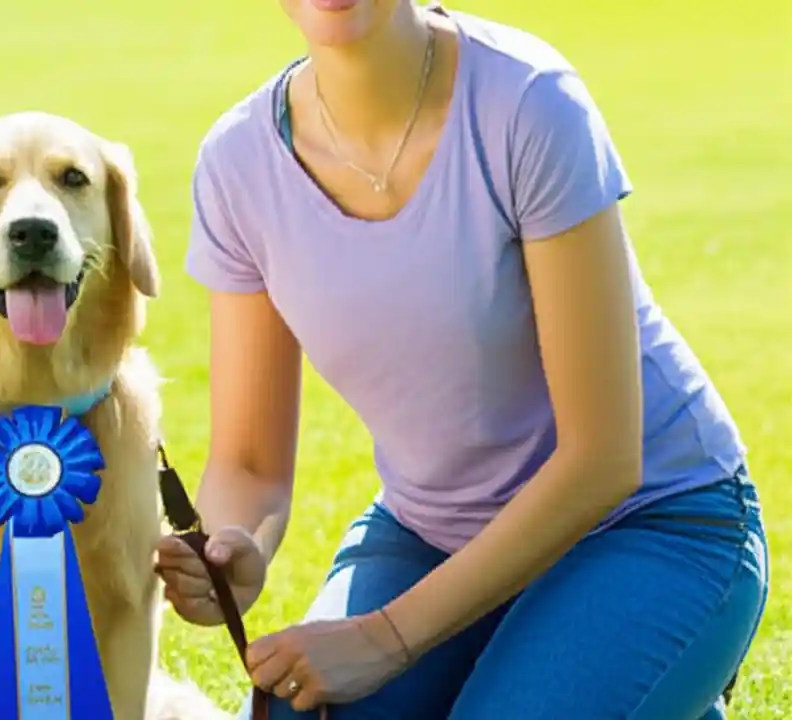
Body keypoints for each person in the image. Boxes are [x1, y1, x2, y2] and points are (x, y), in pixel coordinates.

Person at [152, 1, 769, 718]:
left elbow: (602, 461)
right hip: (433, 534)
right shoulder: (238, 166)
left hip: (652, 519)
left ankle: (652, 653)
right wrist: (235, 548)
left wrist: (385, 637)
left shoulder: (528, 101)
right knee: (297, 712)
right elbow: (251, 465)